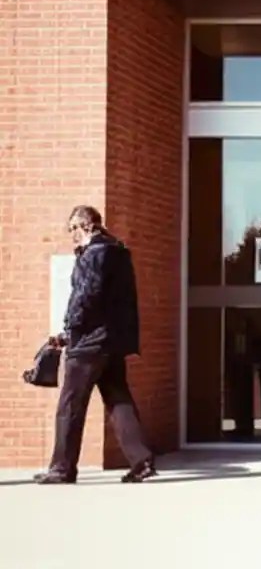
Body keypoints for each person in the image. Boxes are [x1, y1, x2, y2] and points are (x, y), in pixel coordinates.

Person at [34, 206, 157, 484]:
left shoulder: (93, 254)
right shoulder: (119, 252)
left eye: (73, 229)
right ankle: (142, 462)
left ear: (87, 226)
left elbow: (85, 295)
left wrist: (69, 329)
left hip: (89, 343)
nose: (72, 235)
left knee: (70, 405)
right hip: (113, 341)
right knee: (118, 400)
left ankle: (62, 468)